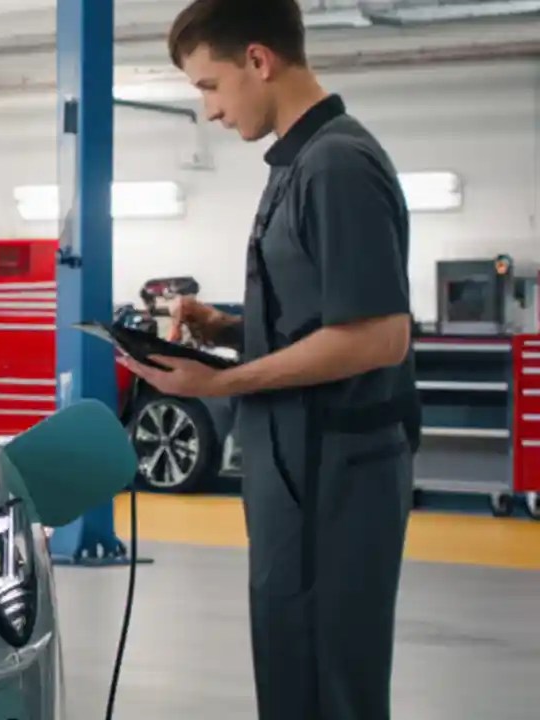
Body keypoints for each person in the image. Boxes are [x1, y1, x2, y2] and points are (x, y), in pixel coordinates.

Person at [118, 1, 420, 719]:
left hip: (337, 474)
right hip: (297, 472)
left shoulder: (337, 165)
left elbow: (380, 336)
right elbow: (318, 314)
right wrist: (226, 324)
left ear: (258, 60)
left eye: (209, 86)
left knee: (330, 684)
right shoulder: (296, 163)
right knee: (291, 672)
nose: (210, 111)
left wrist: (226, 379)